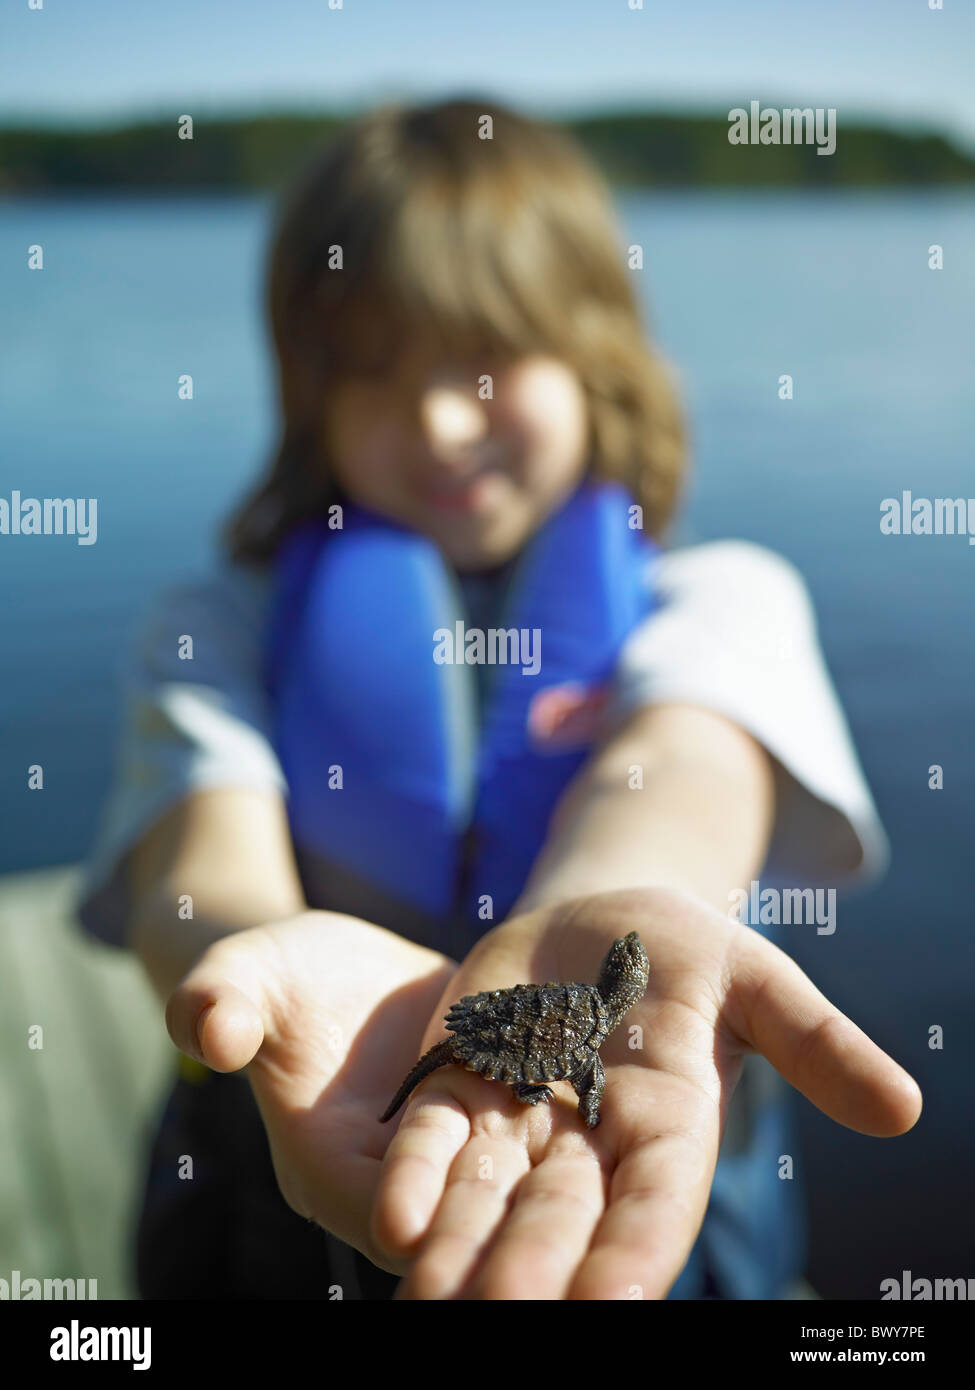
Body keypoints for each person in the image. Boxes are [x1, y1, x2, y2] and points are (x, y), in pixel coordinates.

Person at [76, 95, 921, 1301]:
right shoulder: (215, 625)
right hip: (308, 1125)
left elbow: (688, 766)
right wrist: (249, 950)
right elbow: (196, 868)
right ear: (309, 402)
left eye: (484, 361)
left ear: (597, 357)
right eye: (373, 375)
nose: (437, 420)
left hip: (616, 1179)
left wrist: (601, 899)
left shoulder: (725, 600)